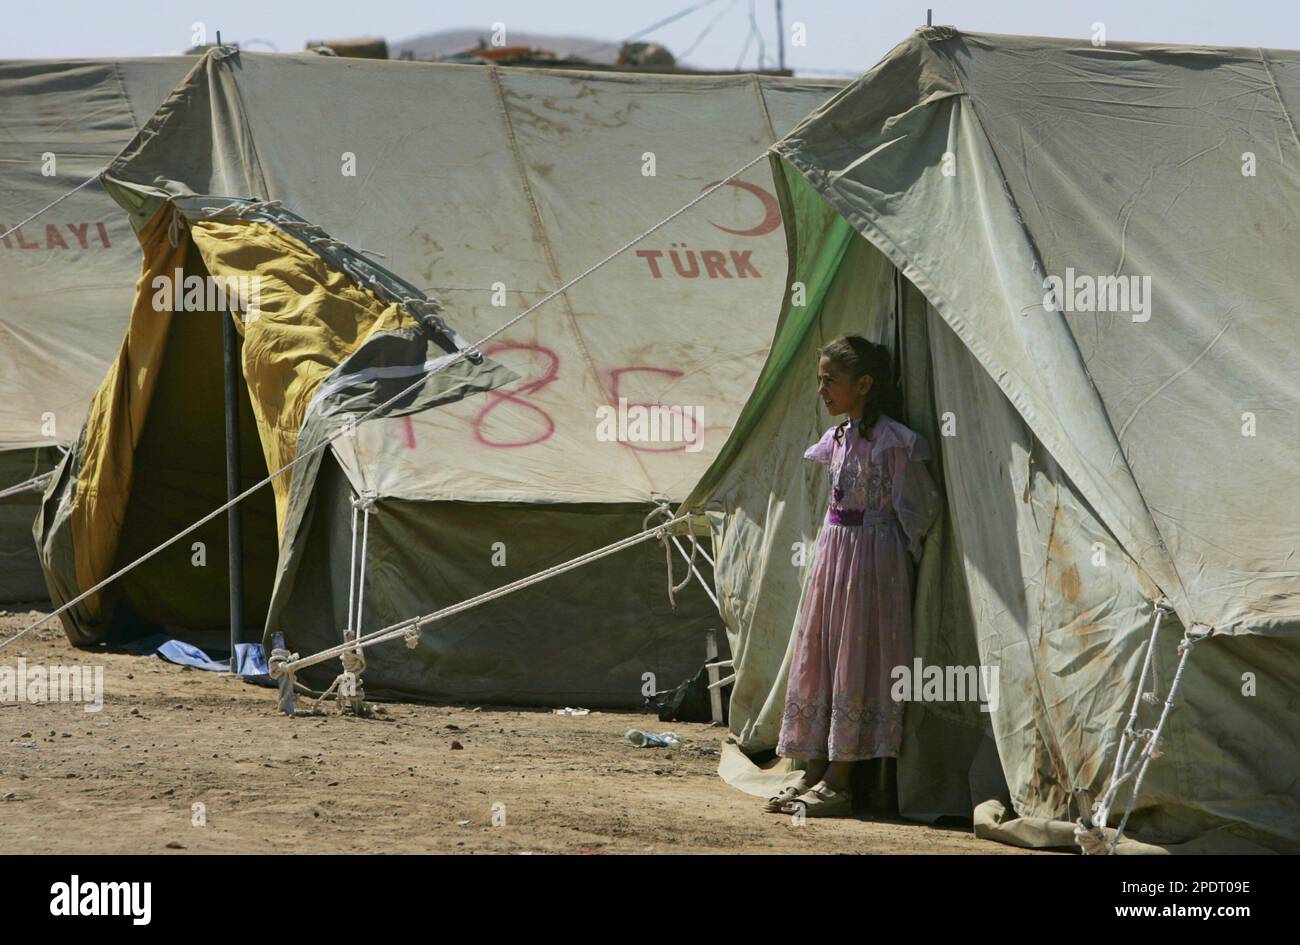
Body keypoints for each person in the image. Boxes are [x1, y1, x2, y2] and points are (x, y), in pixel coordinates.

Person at [764, 335, 942, 817]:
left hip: (872, 559)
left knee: (857, 656)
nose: (822, 390)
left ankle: (842, 778)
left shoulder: (895, 442)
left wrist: (888, 542)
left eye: (831, 381)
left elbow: (921, 509)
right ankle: (812, 766)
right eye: (820, 380)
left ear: (863, 384)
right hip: (834, 554)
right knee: (821, 650)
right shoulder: (836, 441)